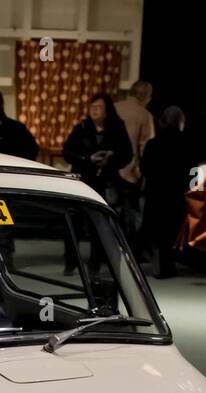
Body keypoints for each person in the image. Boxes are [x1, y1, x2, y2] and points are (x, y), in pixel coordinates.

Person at [61, 93, 132, 273]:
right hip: (82, 180)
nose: (94, 110)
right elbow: (68, 151)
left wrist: (111, 157)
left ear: (107, 110)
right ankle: (70, 262)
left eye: (99, 107)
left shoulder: (117, 128)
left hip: (105, 181)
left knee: (99, 224)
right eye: (92, 107)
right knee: (73, 221)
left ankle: (95, 262)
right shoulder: (82, 127)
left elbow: (127, 154)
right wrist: (88, 158)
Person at [139, 106, 191, 278]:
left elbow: (145, 169)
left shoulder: (153, 144)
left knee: (157, 230)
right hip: (178, 192)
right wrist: (195, 190)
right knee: (172, 229)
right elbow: (194, 170)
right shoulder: (187, 143)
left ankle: (159, 263)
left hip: (156, 192)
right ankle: (169, 264)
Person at [113, 80, 155, 254]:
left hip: (108, 168)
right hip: (130, 171)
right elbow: (146, 145)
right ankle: (129, 250)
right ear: (145, 96)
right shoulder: (144, 115)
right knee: (131, 212)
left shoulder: (113, 108)